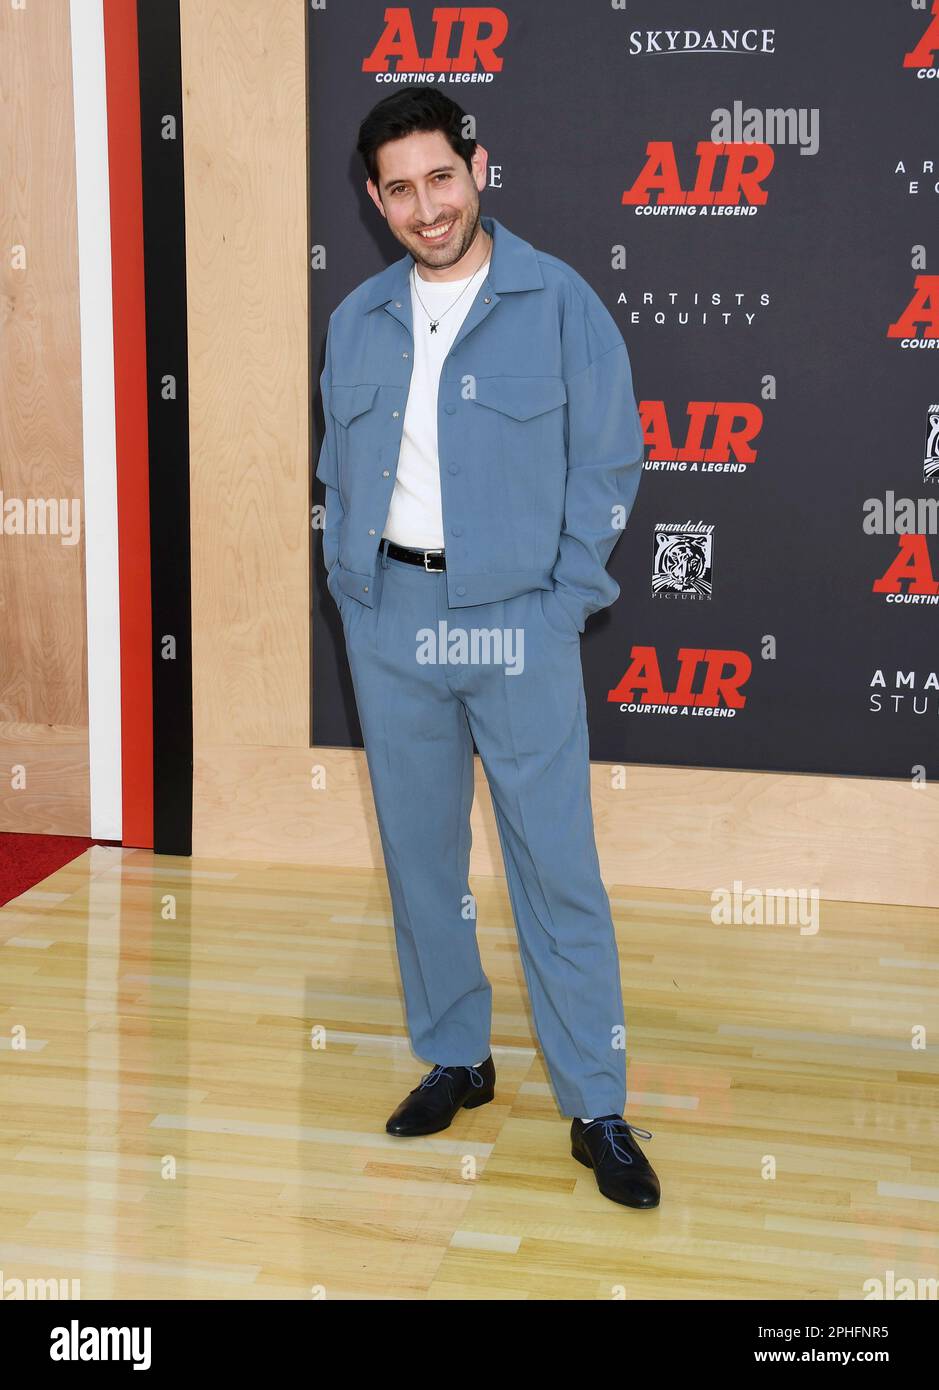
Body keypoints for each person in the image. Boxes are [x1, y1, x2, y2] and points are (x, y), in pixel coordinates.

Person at [316, 86, 659, 1210]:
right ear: (375, 200)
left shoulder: (559, 304)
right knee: (421, 862)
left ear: (479, 168)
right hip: (389, 621)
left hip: (520, 624)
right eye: (400, 189)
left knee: (555, 870)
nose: (427, 207)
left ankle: (597, 1103)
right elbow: (338, 466)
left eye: (442, 177)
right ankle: (458, 1056)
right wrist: (352, 594)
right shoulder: (358, 318)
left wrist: (561, 606)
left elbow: (609, 464)